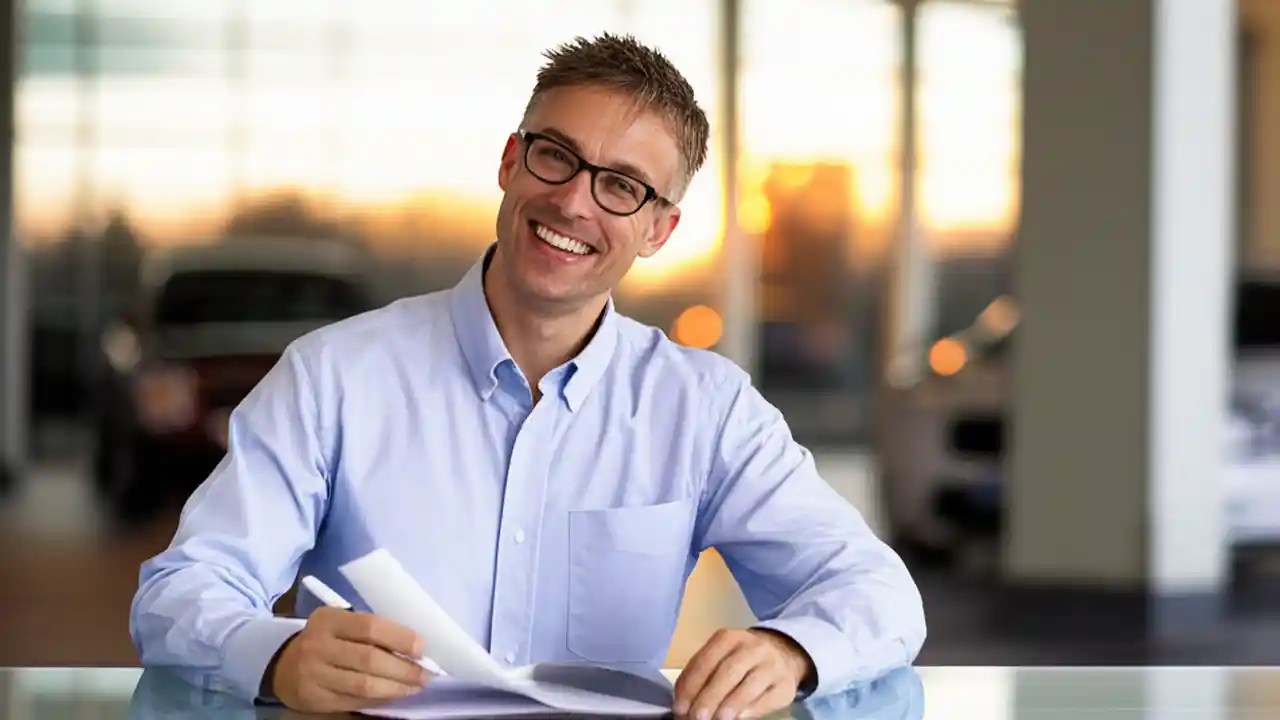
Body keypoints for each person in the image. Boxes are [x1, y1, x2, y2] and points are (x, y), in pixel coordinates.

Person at [130, 33, 926, 720]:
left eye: (622, 185)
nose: (575, 201)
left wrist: (789, 648)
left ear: (659, 229)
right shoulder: (332, 377)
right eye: (556, 157)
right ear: (512, 162)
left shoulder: (706, 409)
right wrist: (275, 656)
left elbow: (876, 593)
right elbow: (181, 591)